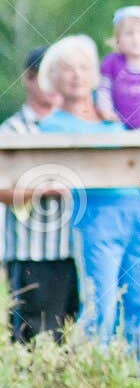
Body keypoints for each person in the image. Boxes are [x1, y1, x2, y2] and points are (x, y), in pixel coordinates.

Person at [35, 36, 140, 356]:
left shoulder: (117, 119)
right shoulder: (50, 127)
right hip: (95, 217)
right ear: (53, 78)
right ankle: (95, 381)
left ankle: (134, 376)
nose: (76, 74)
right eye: (67, 68)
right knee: (101, 308)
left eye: (84, 67)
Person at [2, 45, 81, 343]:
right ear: (29, 79)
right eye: (43, 78)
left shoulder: (76, 129)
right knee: (31, 335)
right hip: (31, 252)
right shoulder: (13, 130)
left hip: (73, 249)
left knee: (69, 334)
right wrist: (43, 189)